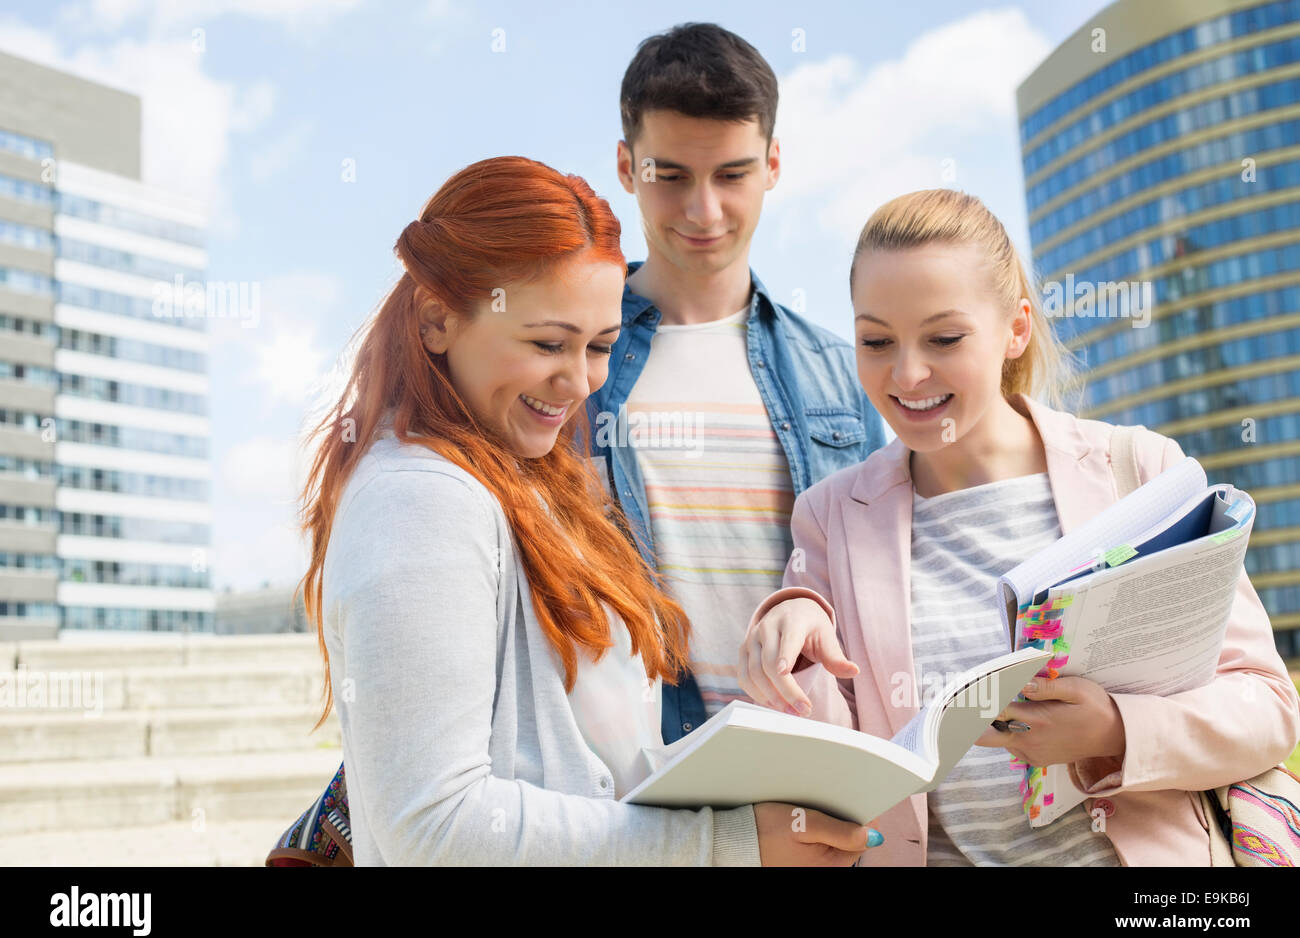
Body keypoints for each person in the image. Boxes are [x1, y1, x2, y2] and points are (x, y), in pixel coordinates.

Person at [295, 155, 872, 866]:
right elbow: (434, 826)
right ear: (437, 320)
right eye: (547, 343)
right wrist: (729, 844)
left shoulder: (522, 481)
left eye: (600, 346)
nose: (578, 382)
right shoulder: (419, 500)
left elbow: (591, 772)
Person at [736, 188, 1300, 866]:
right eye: (876, 340)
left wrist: (1117, 730)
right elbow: (831, 772)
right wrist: (794, 632)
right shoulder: (831, 517)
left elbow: (1267, 709)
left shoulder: (1139, 471)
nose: (907, 373)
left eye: (943, 338)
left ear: (1016, 329)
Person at [588, 23, 888, 745]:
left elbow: (879, 586)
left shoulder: (843, 374)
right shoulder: (568, 366)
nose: (704, 211)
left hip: (811, 767)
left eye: (731, 175)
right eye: (672, 176)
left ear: (773, 164)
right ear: (627, 168)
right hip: (635, 790)